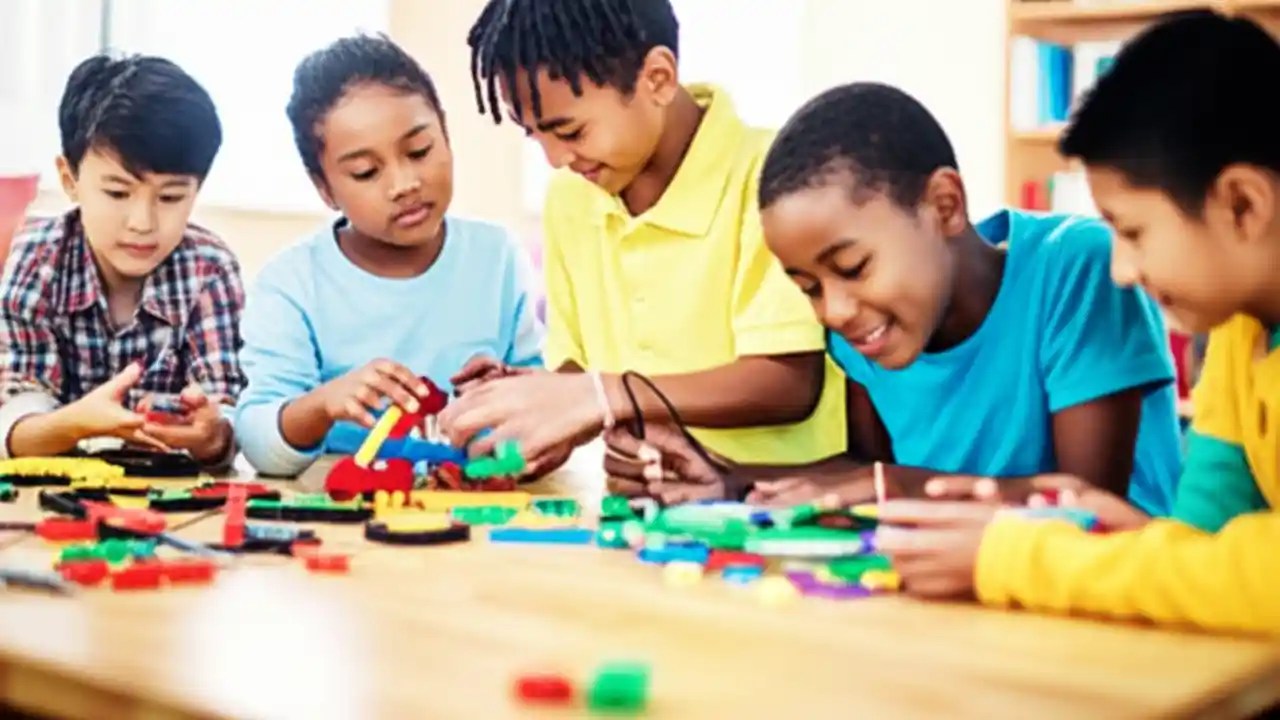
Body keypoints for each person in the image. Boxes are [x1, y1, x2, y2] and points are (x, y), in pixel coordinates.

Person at [876, 10, 1280, 636]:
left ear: (1243, 204)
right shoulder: (1240, 328)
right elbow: (1206, 539)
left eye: (1133, 231)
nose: (1121, 270)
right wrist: (1107, 530)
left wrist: (1020, 558)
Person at [606, 81, 1182, 515]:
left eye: (853, 268)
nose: (833, 311)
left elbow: (1084, 503)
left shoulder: (1075, 269)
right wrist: (730, 479)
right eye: (808, 288)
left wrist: (885, 486)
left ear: (945, 205)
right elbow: (866, 467)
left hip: (1129, 607)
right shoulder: (867, 330)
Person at [439, 0, 848, 476]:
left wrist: (597, 396)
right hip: (640, 509)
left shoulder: (772, 177)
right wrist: (533, 398)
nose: (554, 158)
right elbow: (583, 372)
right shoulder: (572, 200)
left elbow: (787, 384)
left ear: (657, 77)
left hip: (776, 511)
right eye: (534, 136)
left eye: (569, 130)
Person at [234, 34, 543, 477]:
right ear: (324, 188)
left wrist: (510, 397)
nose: (403, 184)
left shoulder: (496, 257)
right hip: (342, 517)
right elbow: (258, 441)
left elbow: (537, 414)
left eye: (419, 151)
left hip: (470, 514)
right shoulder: (292, 282)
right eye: (366, 172)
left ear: (446, 134)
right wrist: (322, 405)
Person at [0, 53, 242, 467]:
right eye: (117, 193)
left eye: (170, 198)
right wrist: (76, 424)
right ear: (69, 180)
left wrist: (213, 434)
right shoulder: (38, 258)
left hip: (172, 498)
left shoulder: (210, 269)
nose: (142, 222)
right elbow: (15, 415)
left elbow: (226, 413)